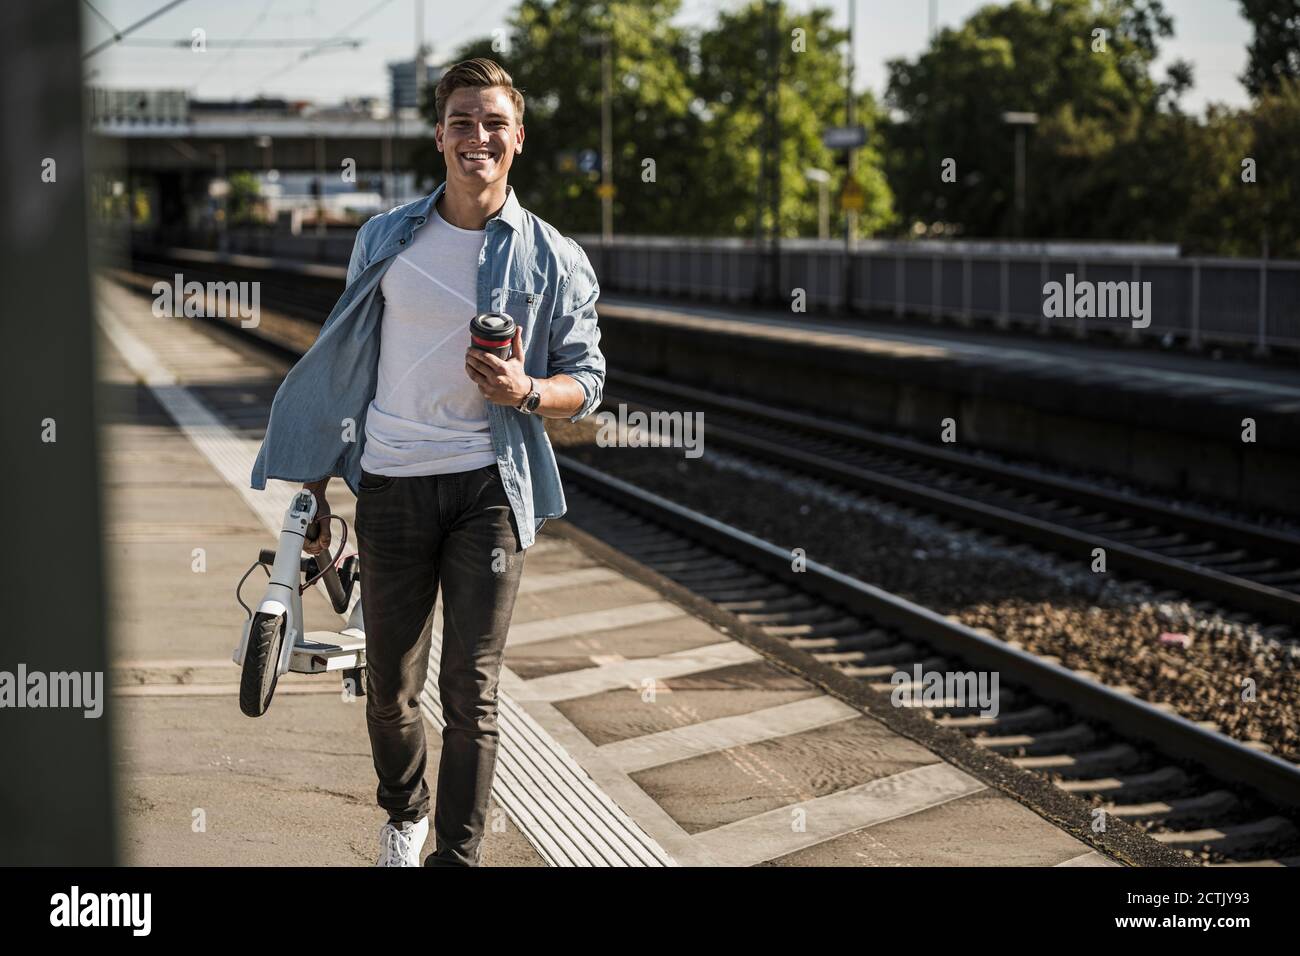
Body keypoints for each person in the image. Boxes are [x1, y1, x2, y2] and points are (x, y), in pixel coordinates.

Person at [250, 57, 606, 866]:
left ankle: (457, 856)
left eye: (494, 123)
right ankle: (404, 812)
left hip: (491, 486)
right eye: (462, 122)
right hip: (391, 480)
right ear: (439, 135)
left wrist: (524, 390)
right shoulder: (384, 237)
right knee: (389, 688)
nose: (478, 137)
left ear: (518, 137)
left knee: (472, 690)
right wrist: (312, 487)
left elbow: (586, 383)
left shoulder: (554, 257)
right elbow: (344, 366)